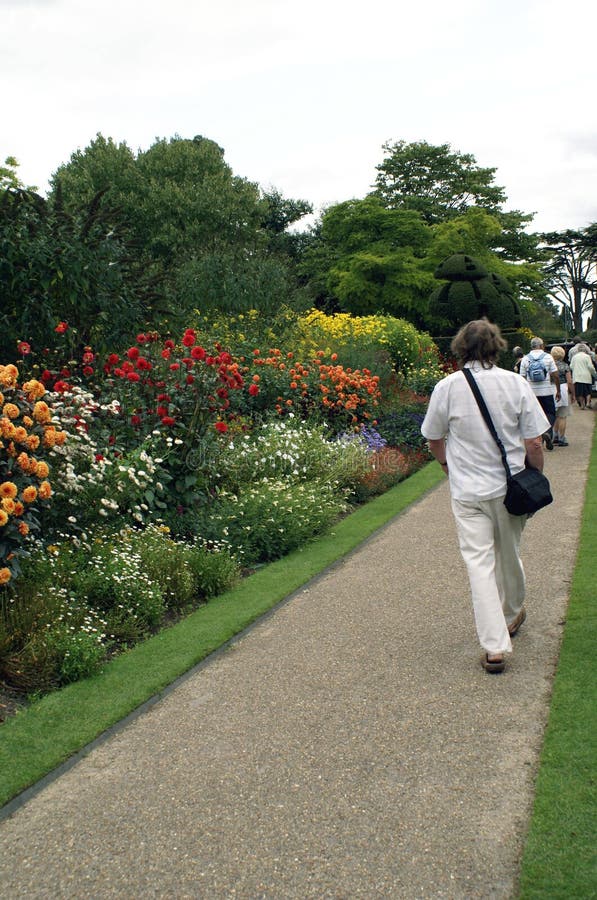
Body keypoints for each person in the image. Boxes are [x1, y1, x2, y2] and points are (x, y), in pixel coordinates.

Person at [421, 319, 549, 674]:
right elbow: (534, 441)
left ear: (460, 347)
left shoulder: (446, 387)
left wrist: (446, 464)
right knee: (509, 553)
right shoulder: (515, 383)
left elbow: (433, 437)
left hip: (468, 492)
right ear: (496, 347)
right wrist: (536, 473)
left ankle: (495, 647)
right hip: (510, 488)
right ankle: (510, 614)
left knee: (479, 564)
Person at [519, 337, 560, 450]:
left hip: (532, 393)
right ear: (541, 346)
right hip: (546, 391)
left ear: (531, 346)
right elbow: (555, 375)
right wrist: (558, 390)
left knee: (535, 416)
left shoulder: (525, 359)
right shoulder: (548, 357)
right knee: (550, 414)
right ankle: (547, 432)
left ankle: (539, 440)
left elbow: (522, 378)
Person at [550, 346, 575, 445]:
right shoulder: (565, 366)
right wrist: (573, 394)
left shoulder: (549, 365)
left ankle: (554, 435)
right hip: (563, 389)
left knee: (555, 415)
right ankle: (562, 438)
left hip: (551, 389)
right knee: (562, 415)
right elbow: (569, 381)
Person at [569, 343, 596, 409]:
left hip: (577, 377)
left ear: (578, 350)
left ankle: (582, 405)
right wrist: (594, 374)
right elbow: (590, 367)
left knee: (579, 392)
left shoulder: (574, 357)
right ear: (585, 350)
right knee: (588, 391)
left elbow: (571, 366)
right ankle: (588, 403)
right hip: (586, 376)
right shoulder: (587, 356)